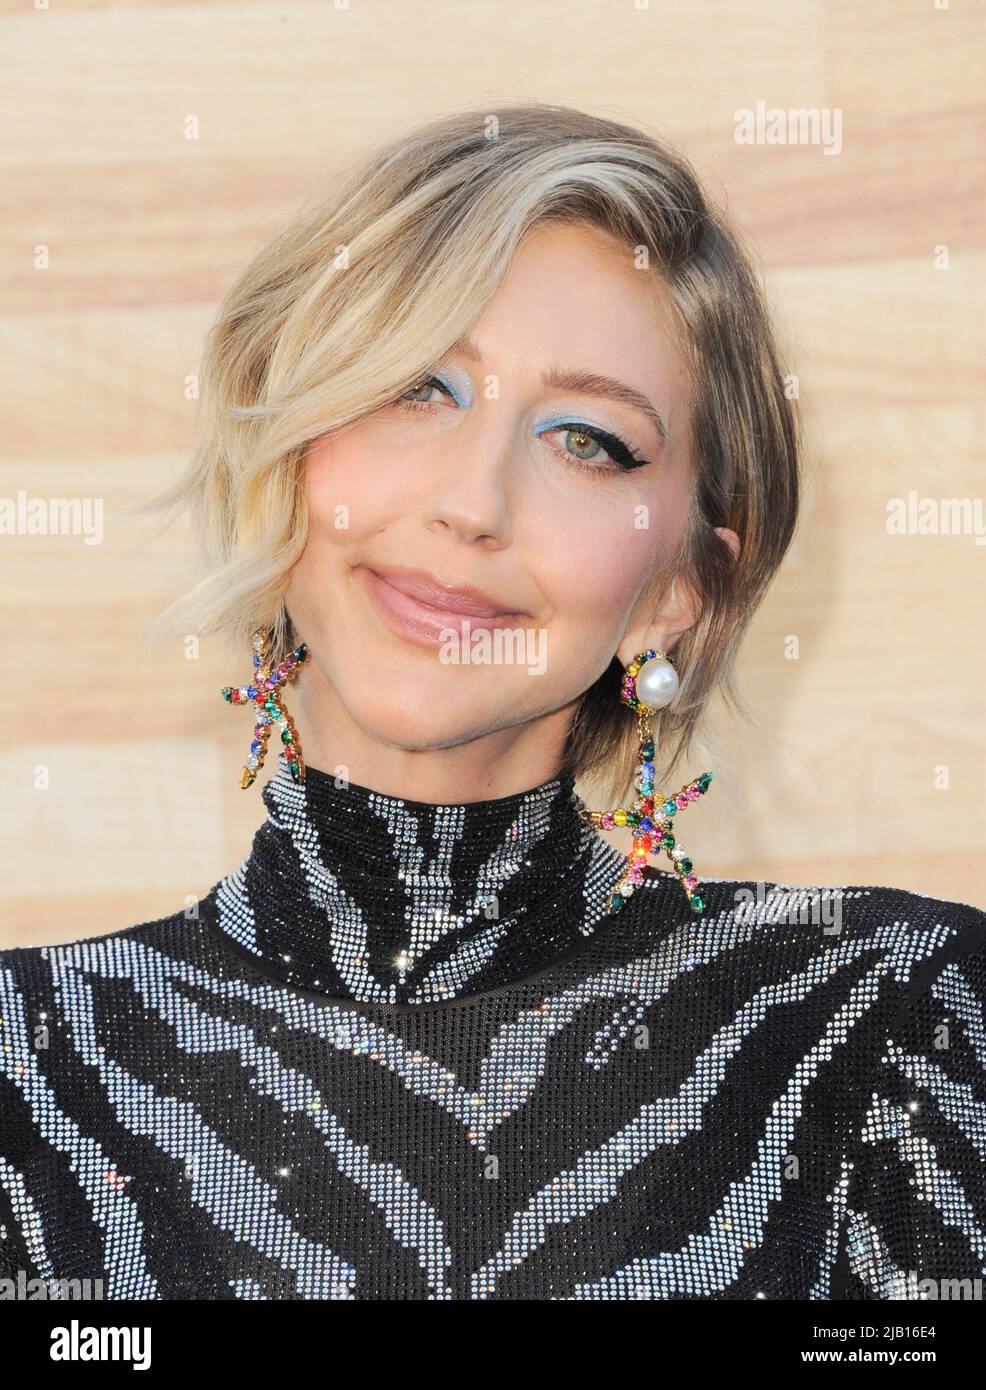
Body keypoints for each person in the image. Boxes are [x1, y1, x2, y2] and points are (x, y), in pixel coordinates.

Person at [2, 104, 984, 1302]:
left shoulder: (895, 1022)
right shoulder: (28, 1055)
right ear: (287, 441)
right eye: (419, 384)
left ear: (676, 588)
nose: (472, 502)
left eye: (586, 439)